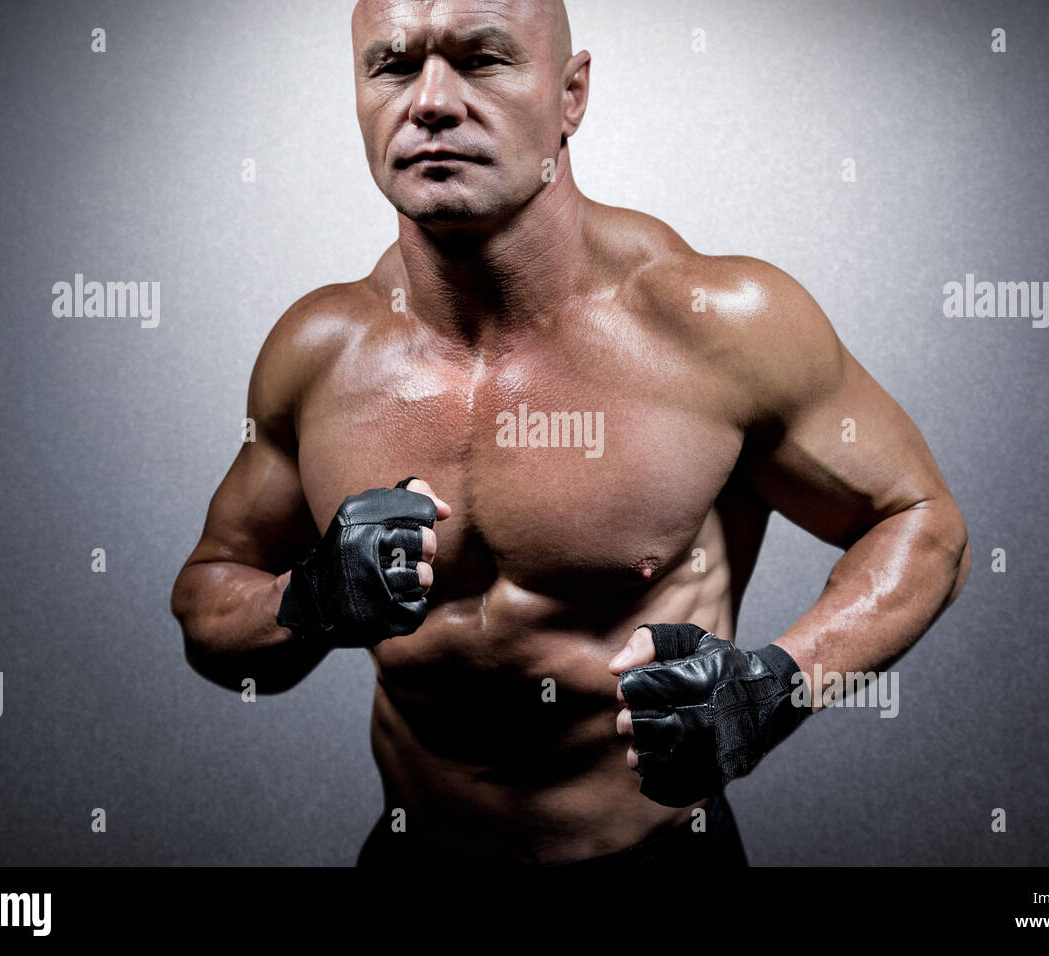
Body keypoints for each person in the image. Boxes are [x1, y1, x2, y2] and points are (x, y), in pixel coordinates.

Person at [170, 0, 971, 866]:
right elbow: (210, 605)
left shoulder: (715, 325)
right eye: (394, 66)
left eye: (481, 59)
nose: (431, 100)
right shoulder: (318, 354)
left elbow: (922, 524)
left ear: (572, 94)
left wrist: (777, 686)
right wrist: (310, 600)